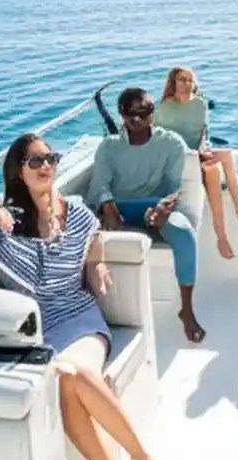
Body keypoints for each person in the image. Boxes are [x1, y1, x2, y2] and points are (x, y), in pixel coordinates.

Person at [0, 133, 181, 460]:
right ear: (18, 172)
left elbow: (95, 235)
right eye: (35, 161)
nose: (46, 165)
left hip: (79, 317)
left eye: (50, 157)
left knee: (73, 372)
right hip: (35, 332)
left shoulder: (77, 212)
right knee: (66, 381)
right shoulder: (2, 224)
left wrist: (95, 263)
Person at [86, 87, 206, 344]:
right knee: (86, 231)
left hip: (156, 206)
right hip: (118, 208)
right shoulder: (109, 146)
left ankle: (186, 309)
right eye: (131, 114)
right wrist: (107, 206)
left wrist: (164, 207)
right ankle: (95, 310)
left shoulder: (172, 142)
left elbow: (174, 186)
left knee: (184, 233)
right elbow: (100, 185)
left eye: (145, 112)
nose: (138, 119)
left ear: (154, 113)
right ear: (121, 115)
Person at [156, 66, 238, 259]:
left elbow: (201, 134)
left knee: (225, 155)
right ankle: (222, 237)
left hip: (196, 152)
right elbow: (160, 138)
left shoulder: (199, 104)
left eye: (190, 80)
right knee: (213, 172)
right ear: (173, 83)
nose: (187, 84)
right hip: (175, 157)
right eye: (182, 80)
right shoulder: (163, 106)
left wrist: (203, 151)